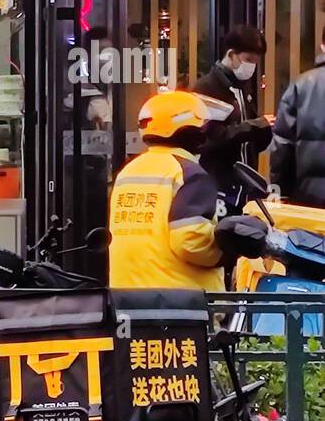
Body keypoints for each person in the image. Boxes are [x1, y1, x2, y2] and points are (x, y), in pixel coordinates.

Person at [108, 91, 230, 292]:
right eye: (202, 125)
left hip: (127, 297)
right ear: (188, 130)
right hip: (180, 302)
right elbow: (191, 242)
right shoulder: (189, 173)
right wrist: (228, 251)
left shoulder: (128, 171)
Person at [194, 26, 275, 209]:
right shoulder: (207, 88)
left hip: (244, 184)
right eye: (248, 60)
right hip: (219, 186)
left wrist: (264, 130)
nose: (251, 67)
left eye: (255, 61)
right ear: (231, 55)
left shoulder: (243, 88)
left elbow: (250, 140)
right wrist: (254, 126)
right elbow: (208, 138)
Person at [269, 26, 325, 208]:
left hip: (309, 200)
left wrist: (280, 192)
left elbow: (283, 147)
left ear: (322, 45)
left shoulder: (301, 87)